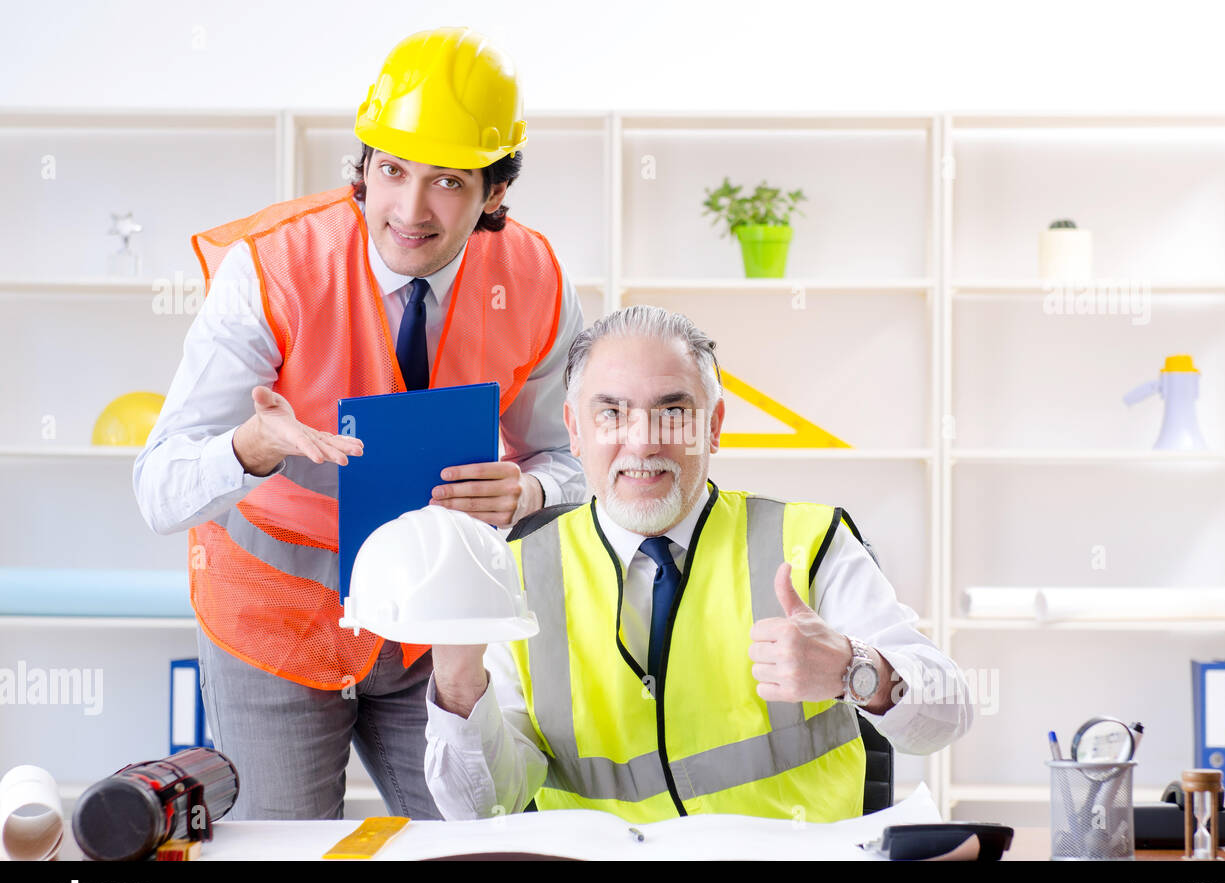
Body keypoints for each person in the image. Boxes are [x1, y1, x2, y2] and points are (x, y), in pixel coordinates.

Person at [132, 27, 587, 820]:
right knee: (284, 851)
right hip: (278, 621)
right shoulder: (272, 269)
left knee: (473, 837)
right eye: (391, 170)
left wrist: (529, 489)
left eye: (447, 180)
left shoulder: (537, 278)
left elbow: (575, 461)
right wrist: (251, 449)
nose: (409, 210)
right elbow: (159, 492)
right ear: (364, 166)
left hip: (435, 624)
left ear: (495, 192)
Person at [424, 305, 973, 822]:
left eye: (673, 411)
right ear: (574, 428)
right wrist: (456, 680)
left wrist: (857, 671)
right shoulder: (511, 573)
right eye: (611, 412)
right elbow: (480, 809)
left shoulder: (808, 541)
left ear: (713, 425)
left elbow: (948, 711)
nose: (642, 443)